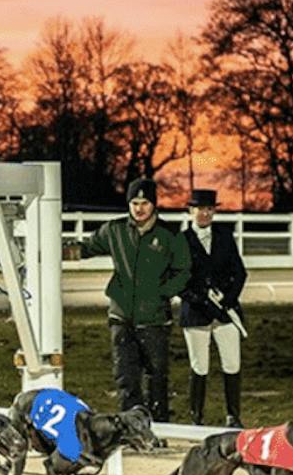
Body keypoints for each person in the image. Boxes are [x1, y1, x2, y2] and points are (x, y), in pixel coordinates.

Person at [68, 178, 189, 419]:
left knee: (156, 377)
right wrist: (50, 249)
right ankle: (129, 424)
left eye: (145, 203)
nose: (139, 208)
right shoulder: (115, 230)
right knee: (125, 376)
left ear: (153, 204)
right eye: (134, 203)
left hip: (154, 319)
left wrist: (162, 293)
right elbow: (87, 247)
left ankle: (158, 424)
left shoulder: (170, 235)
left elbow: (183, 271)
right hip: (121, 316)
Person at [179, 187, 247, 426]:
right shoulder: (181, 241)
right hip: (196, 313)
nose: (205, 213)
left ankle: (233, 416)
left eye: (209, 209)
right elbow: (177, 280)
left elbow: (239, 272)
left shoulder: (225, 237)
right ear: (191, 211)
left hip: (225, 312)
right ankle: (196, 418)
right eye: (200, 209)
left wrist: (229, 299)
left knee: (232, 363)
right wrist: (200, 300)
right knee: (199, 366)